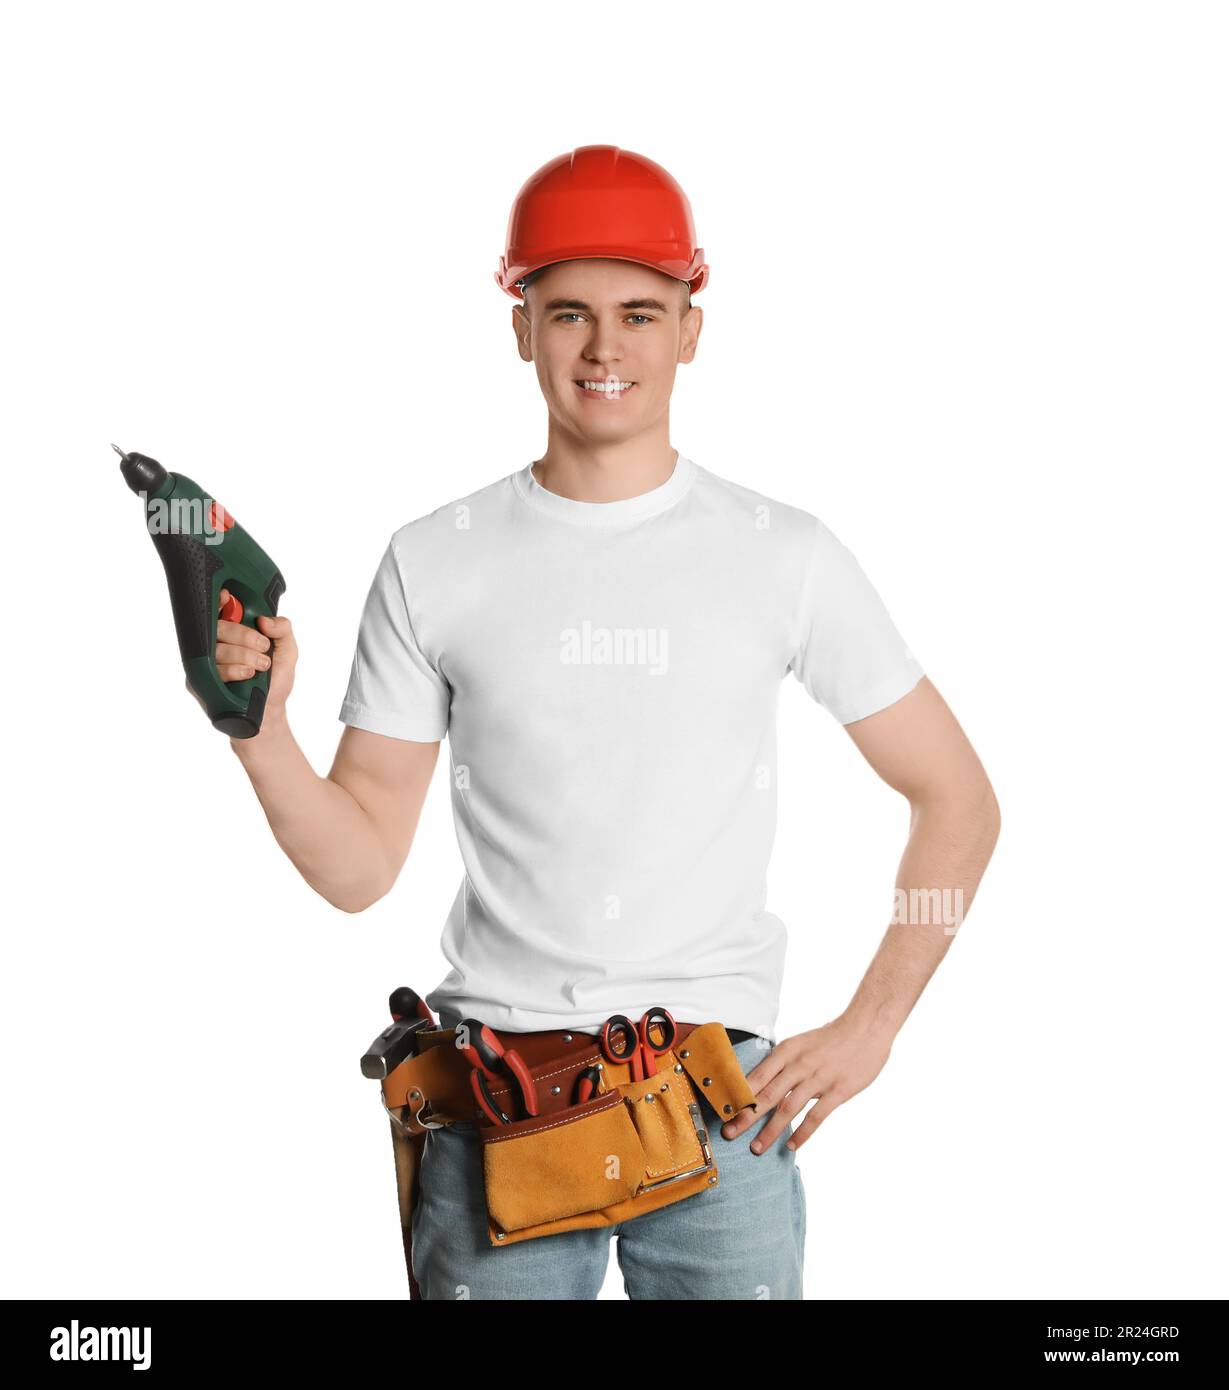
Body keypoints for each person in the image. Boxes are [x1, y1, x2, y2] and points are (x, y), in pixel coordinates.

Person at [217, 145, 1001, 1300]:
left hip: (723, 1112)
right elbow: (357, 865)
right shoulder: (435, 561)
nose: (603, 347)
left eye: (639, 311)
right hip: (497, 1109)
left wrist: (868, 1025)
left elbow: (957, 799)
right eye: (567, 310)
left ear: (690, 327)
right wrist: (259, 732)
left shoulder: (781, 557)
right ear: (519, 324)